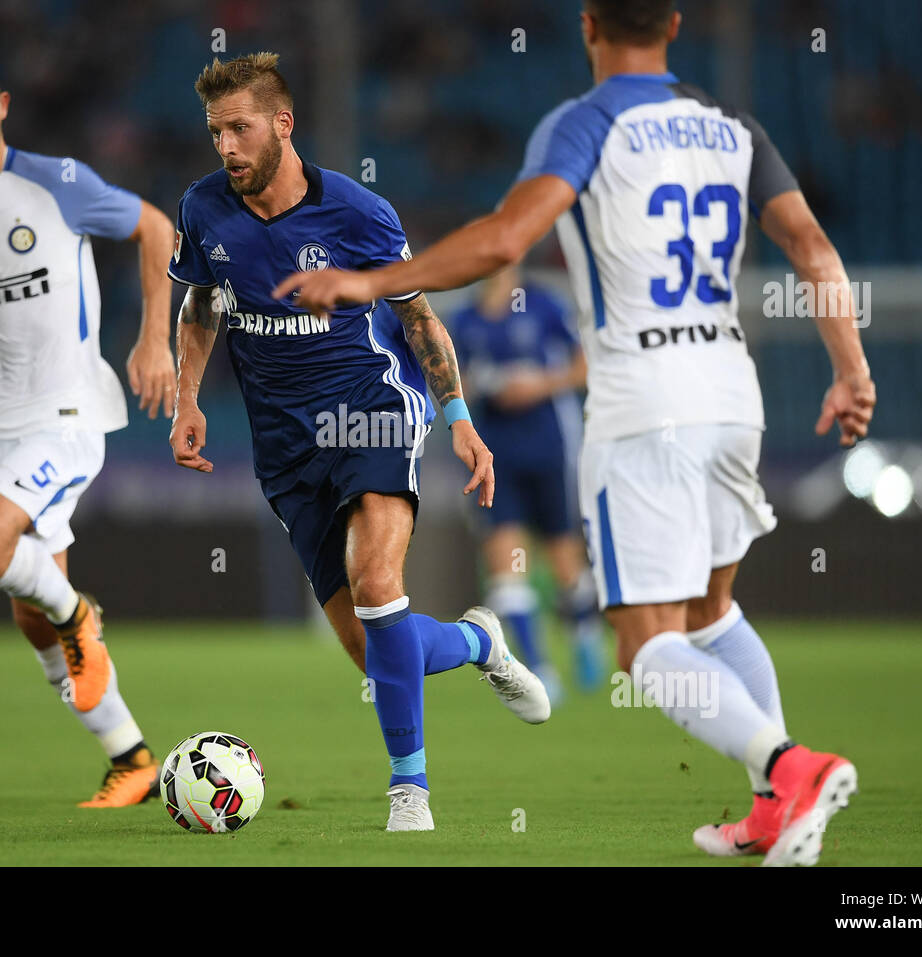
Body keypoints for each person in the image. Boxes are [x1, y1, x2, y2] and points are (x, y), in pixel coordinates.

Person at [273, 1, 876, 865]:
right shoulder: (732, 125)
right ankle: (774, 806)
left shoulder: (586, 122)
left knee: (645, 643)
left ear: (590, 25)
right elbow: (813, 246)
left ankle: (790, 764)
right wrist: (851, 369)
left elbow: (503, 239)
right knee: (712, 611)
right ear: (673, 23)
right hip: (733, 393)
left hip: (642, 403)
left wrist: (372, 281)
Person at [167, 52, 550, 832]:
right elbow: (203, 301)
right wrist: (186, 397)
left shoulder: (356, 212)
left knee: (378, 584)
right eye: (215, 133)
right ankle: (479, 642)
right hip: (283, 448)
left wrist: (460, 421)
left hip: (370, 412)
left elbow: (418, 319)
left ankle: (409, 789)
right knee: (377, 651)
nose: (227, 147)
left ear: (283, 123)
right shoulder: (203, 208)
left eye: (240, 128)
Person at [0, 44, 177, 808]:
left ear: (6, 105)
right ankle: (133, 757)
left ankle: (79, 610)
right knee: (29, 613)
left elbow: (156, 230)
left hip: (68, 412)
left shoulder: (58, 182)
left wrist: (155, 340)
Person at [449, 264, 605, 698]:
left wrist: (538, 385)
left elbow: (584, 366)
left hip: (551, 448)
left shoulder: (544, 306)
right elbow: (448, 379)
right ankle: (538, 671)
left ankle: (583, 633)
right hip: (494, 456)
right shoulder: (465, 320)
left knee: (563, 561)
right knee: (507, 567)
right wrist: (482, 386)